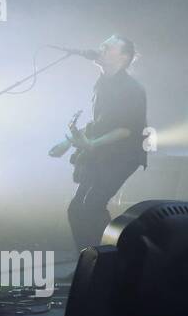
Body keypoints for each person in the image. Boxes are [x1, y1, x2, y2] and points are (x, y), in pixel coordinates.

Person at [50, 36, 148, 252]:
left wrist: (93, 144)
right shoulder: (102, 83)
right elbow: (99, 123)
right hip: (103, 153)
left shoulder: (132, 88)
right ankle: (90, 260)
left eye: (108, 47)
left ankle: (117, 257)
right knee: (77, 209)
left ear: (124, 57)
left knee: (92, 205)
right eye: (102, 45)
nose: (101, 48)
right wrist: (66, 142)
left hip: (123, 156)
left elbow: (126, 129)